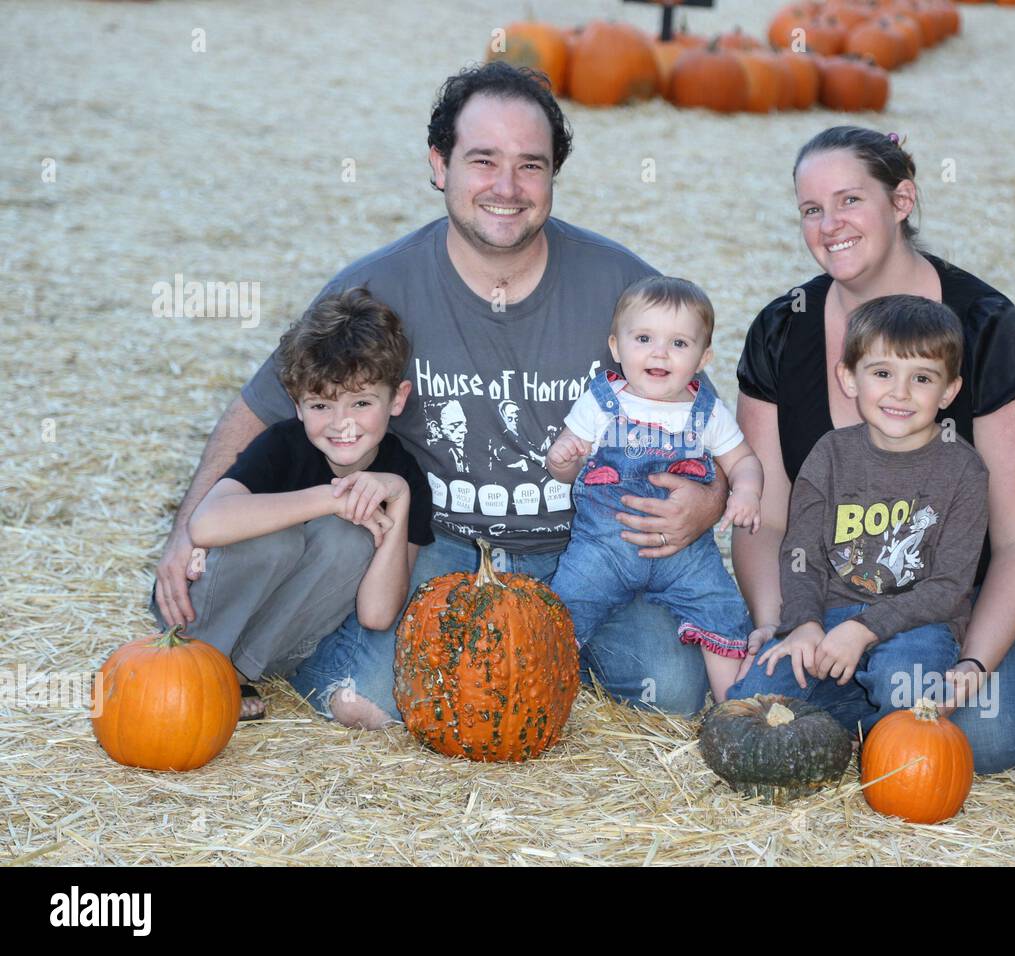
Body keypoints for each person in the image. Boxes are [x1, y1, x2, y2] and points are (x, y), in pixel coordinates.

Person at [149, 62, 726, 729]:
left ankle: (551, 651)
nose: (507, 187)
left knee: (674, 688)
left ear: (552, 178)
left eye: (530, 165)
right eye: (483, 160)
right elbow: (260, 411)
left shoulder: (623, 287)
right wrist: (182, 537)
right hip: (436, 545)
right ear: (438, 165)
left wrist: (707, 500)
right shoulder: (376, 287)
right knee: (373, 700)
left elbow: (702, 419)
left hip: (588, 548)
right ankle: (304, 652)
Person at [731, 127, 1015, 774]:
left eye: (849, 201)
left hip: (982, 579)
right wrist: (783, 623)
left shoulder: (985, 328)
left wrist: (973, 661)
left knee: (983, 735)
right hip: (847, 584)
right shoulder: (781, 329)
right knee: (765, 714)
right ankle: (867, 698)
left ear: (902, 201)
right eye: (811, 210)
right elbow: (772, 516)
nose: (829, 225)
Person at [148, 288, 432, 719]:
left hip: (273, 642)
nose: (343, 424)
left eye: (361, 402)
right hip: (206, 609)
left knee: (350, 540)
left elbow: (377, 615)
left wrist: (401, 500)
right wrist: (327, 498)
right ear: (297, 404)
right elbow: (206, 526)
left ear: (397, 398)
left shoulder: (403, 475)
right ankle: (197, 662)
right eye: (321, 404)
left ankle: (235, 673)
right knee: (276, 539)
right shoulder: (282, 444)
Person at [729, 294, 987, 734]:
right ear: (849, 379)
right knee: (750, 704)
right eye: (882, 373)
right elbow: (801, 556)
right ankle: (850, 717)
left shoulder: (962, 469)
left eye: (922, 378)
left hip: (917, 625)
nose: (900, 392)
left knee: (898, 685)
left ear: (949, 391)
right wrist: (805, 624)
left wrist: (866, 629)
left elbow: (949, 586)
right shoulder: (829, 455)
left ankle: (873, 722)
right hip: (830, 613)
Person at [546, 277, 764, 704]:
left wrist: (747, 491)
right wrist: (564, 458)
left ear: (704, 358)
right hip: (604, 548)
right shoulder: (602, 402)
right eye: (643, 338)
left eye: (679, 343)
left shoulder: (707, 413)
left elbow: (744, 461)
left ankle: (733, 709)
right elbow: (566, 472)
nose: (660, 352)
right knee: (564, 611)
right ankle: (542, 692)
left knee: (722, 611)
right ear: (616, 346)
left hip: (684, 555)